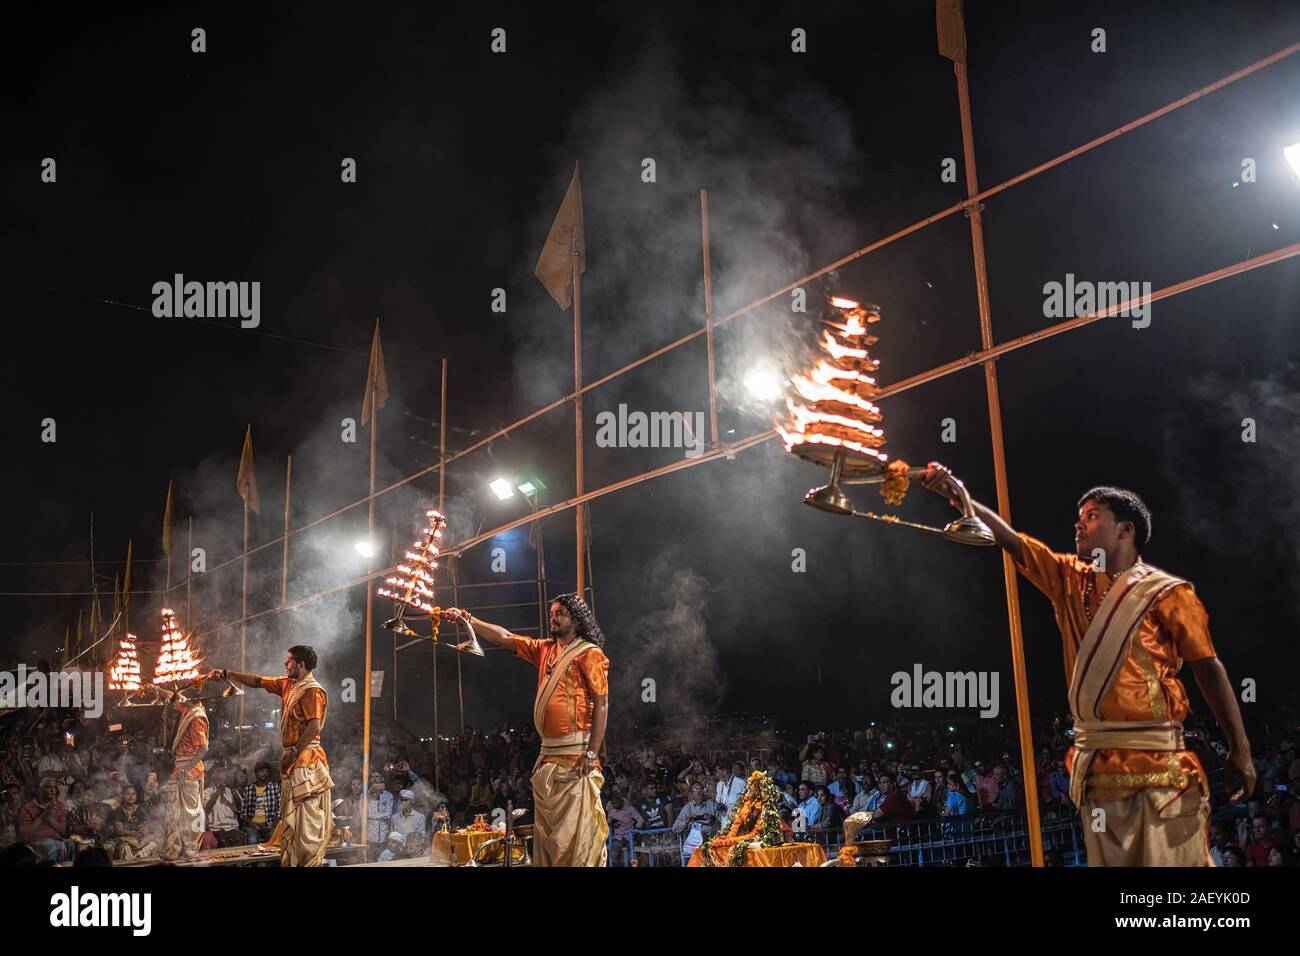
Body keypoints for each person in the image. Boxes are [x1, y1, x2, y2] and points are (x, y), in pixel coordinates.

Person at [920, 467, 1256, 866]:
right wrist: (959, 496)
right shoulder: (1068, 579)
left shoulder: (1168, 593)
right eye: (1079, 517)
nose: (1079, 524)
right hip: (1097, 776)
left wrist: (1241, 747)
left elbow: (1207, 667)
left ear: (1125, 530)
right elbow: (1010, 539)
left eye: (1092, 515)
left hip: (1160, 772)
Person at [448, 594, 610, 867]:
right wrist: (469, 619)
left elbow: (602, 703)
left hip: (576, 759)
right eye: (552, 613)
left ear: (576, 619)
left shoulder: (588, 653)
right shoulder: (545, 649)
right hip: (548, 759)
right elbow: (506, 637)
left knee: (575, 841)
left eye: (560, 613)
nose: (553, 618)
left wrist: (592, 754)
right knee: (549, 841)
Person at [211, 644, 333, 866]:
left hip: (307, 759)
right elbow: (257, 681)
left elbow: (314, 726)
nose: (285, 664)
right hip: (293, 758)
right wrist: (228, 674)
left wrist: (295, 752)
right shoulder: (288, 684)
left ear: (301, 664)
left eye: (289, 661)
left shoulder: (312, 690)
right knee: (292, 820)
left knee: (305, 821)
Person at [151, 682, 208, 856]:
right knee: (174, 811)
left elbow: (204, 748)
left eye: (180, 696)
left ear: (188, 697)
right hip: (181, 767)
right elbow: (171, 696)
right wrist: (155, 688)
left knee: (191, 813)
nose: (177, 699)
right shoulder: (187, 709)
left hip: (190, 770)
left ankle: (190, 850)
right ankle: (175, 849)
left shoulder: (196, 717)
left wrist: (186, 769)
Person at [18, 776, 76, 862]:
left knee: (71, 843)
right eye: (48, 787)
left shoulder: (59, 805)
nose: (52, 790)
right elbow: (26, 834)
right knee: (52, 845)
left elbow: (63, 831)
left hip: (56, 840)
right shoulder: (27, 808)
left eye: (54, 787)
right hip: (37, 841)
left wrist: (49, 817)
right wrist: (42, 815)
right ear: (40, 790)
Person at [672, 782, 719, 866]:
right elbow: (675, 828)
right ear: (691, 793)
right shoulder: (688, 808)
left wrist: (713, 818)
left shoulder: (711, 804)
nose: (699, 791)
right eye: (695, 789)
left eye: (701, 788)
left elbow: (721, 821)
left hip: (712, 840)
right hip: (695, 843)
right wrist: (687, 821)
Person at [240, 763, 281, 846]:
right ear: (256, 773)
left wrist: (273, 824)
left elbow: (279, 808)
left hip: (269, 825)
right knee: (252, 841)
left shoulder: (274, 787)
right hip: (253, 826)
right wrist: (253, 825)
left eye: (266, 771)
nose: (264, 773)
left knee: (275, 842)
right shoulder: (248, 789)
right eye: (261, 771)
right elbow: (243, 813)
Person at [605, 794, 644, 867]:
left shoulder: (630, 809)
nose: (615, 805)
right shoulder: (612, 812)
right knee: (612, 855)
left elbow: (640, 820)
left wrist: (636, 831)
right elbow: (608, 822)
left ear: (621, 801)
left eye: (616, 802)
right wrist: (612, 824)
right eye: (613, 803)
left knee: (631, 857)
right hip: (618, 837)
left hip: (630, 836)